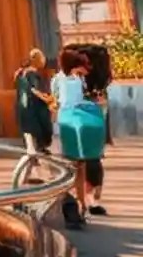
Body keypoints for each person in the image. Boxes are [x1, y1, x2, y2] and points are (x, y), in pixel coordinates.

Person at [51, 48, 107, 228]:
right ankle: (71, 206)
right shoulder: (62, 80)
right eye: (81, 68)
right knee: (70, 168)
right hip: (66, 128)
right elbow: (60, 103)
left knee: (78, 167)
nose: (84, 73)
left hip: (72, 127)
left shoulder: (75, 80)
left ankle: (81, 204)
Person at [14, 49, 54, 184]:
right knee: (35, 146)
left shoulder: (21, 73)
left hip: (23, 110)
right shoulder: (32, 74)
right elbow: (34, 90)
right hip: (33, 111)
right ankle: (41, 175)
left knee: (31, 146)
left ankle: (27, 176)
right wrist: (47, 99)